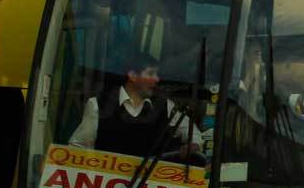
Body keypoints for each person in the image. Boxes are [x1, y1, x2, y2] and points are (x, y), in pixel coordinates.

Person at [70, 52, 209, 162]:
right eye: (150, 73)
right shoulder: (98, 105)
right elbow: (77, 148)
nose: (157, 79)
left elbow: (193, 133)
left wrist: (194, 145)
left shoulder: (165, 106)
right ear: (132, 75)